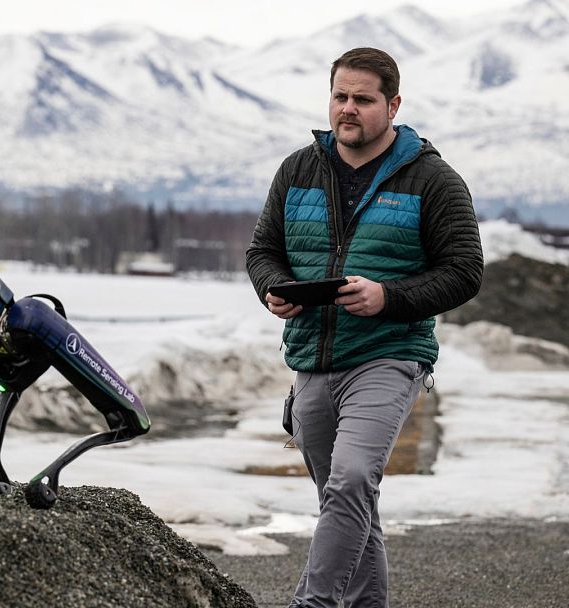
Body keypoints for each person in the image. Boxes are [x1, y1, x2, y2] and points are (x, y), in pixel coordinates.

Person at [245, 47, 483, 608]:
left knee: (350, 481)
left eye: (362, 99)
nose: (347, 109)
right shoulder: (298, 168)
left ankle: (314, 602)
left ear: (393, 104)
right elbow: (263, 250)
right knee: (350, 506)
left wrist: (388, 297)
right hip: (311, 357)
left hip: (389, 352)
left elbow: (465, 271)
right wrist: (273, 288)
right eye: (339, 96)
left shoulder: (433, 179)